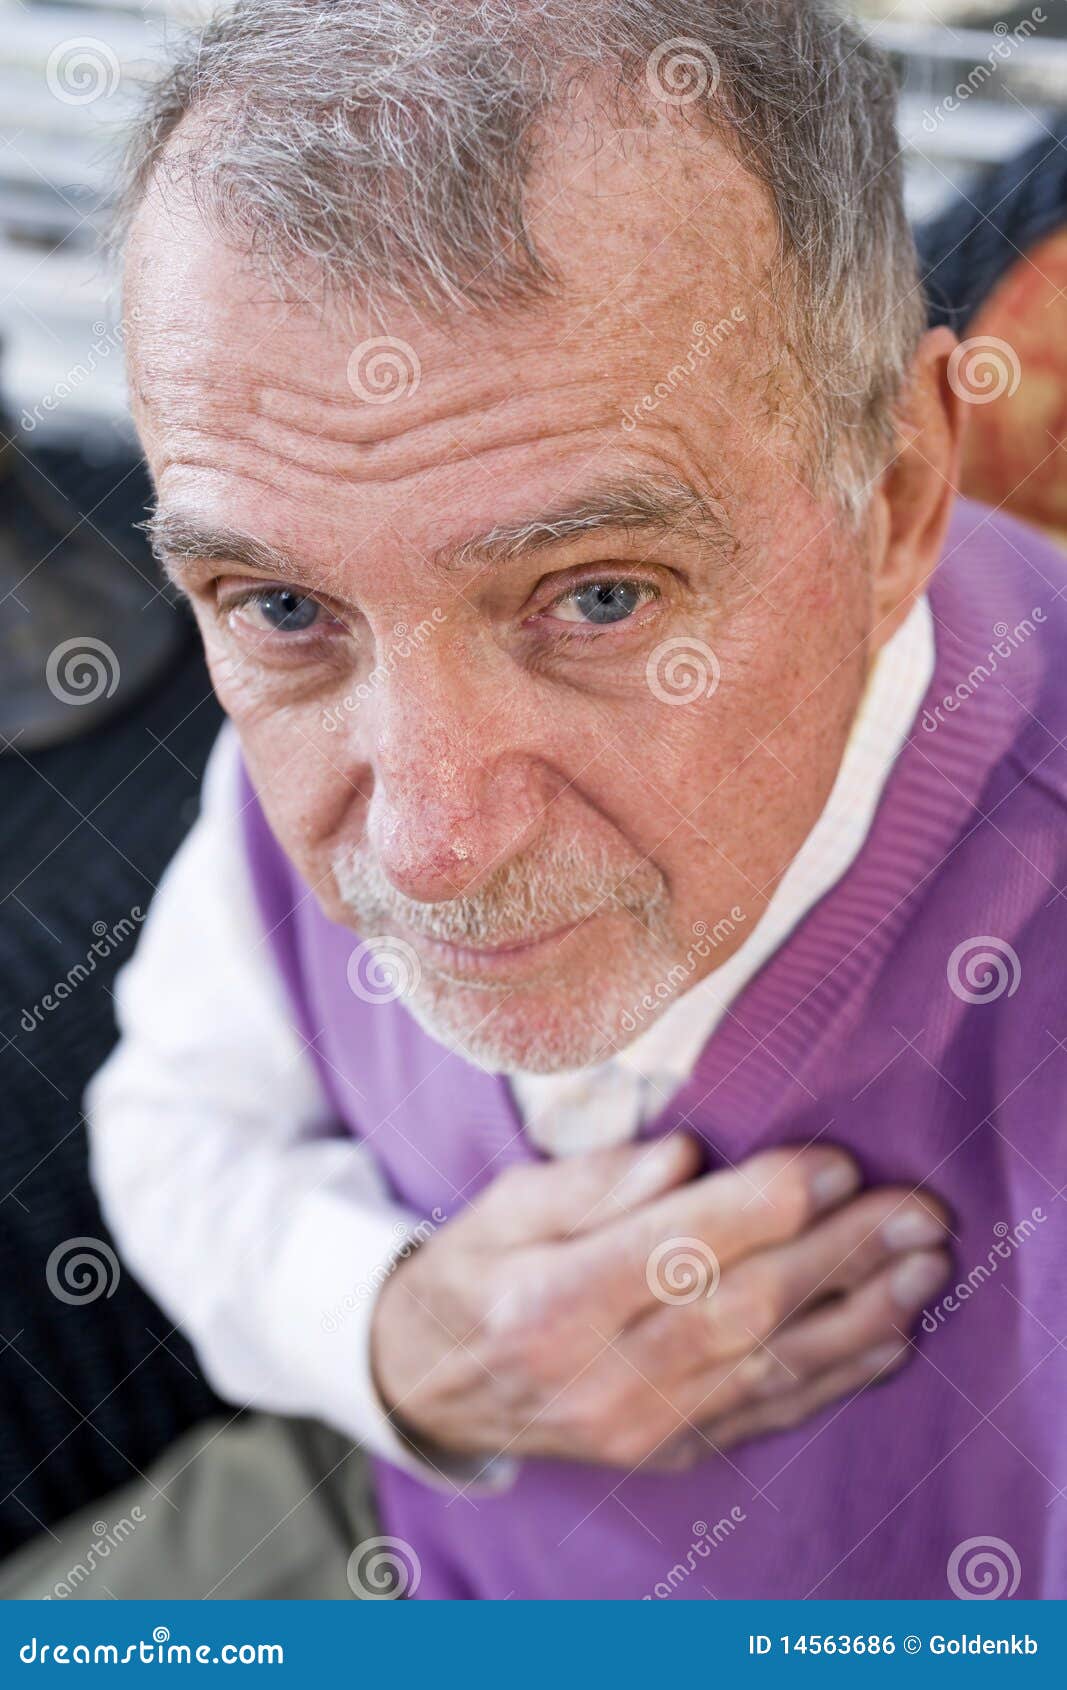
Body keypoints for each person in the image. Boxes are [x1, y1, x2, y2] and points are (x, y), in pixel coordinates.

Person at [6, 0, 1065, 1601]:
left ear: (899, 494)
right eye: (281, 605)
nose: (423, 845)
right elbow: (175, 1119)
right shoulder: (315, 716)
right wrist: (398, 1329)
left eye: (600, 596)